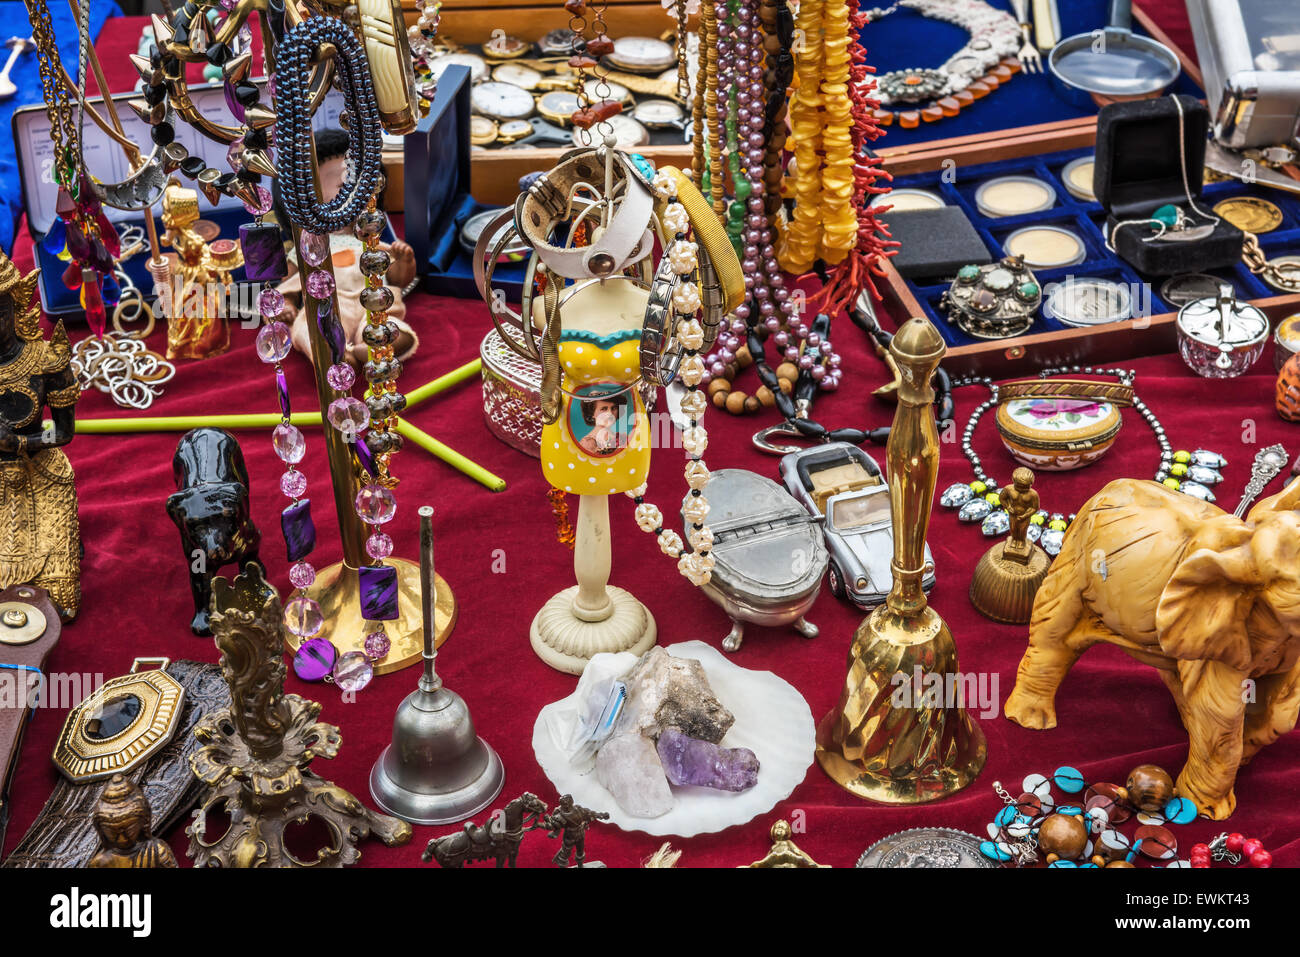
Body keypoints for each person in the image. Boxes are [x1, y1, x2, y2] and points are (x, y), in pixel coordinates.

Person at [276, 128, 420, 367]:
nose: (349, 194)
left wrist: (404, 261)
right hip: (327, 305)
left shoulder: (371, 243)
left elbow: (397, 280)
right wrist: (287, 304)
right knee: (309, 328)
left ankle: (373, 349)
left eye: (354, 188)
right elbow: (288, 284)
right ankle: (334, 354)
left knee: (391, 329)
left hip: (372, 303)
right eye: (339, 189)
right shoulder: (308, 246)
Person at [0, 254, 80, 620]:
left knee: (58, 604)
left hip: (39, 466)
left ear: (16, 309)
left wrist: (21, 444)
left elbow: (63, 431)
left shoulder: (46, 359)